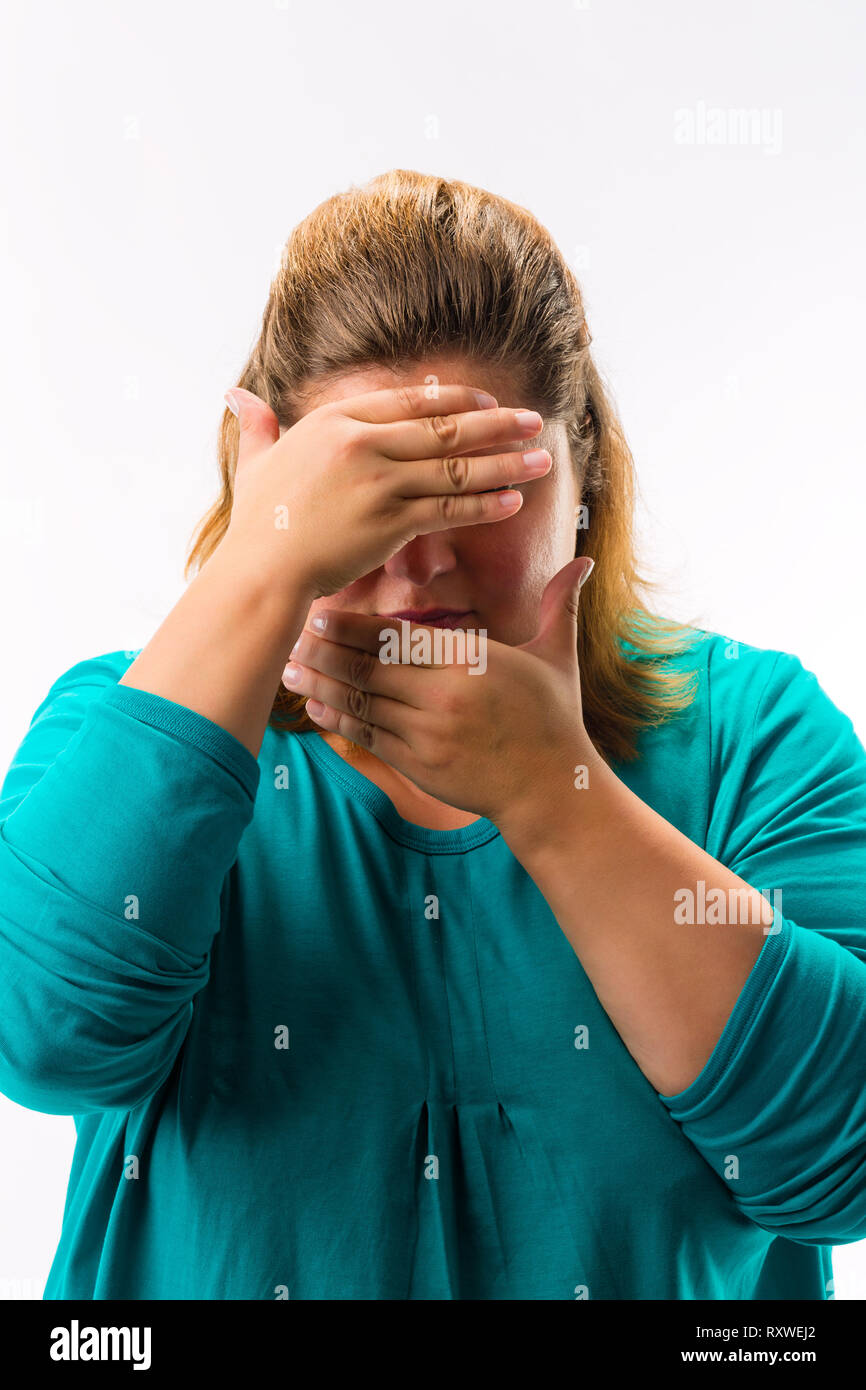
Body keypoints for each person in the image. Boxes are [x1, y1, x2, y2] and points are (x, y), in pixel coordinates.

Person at [2, 169, 865, 1300]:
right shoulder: (129, 713)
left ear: (583, 473)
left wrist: (556, 799)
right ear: (266, 477)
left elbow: (837, 1165)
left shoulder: (746, 734)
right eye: (369, 486)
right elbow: (48, 1036)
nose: (422, 563)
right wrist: (260, 572)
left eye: (482, 485)